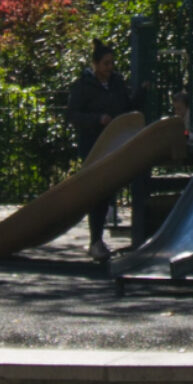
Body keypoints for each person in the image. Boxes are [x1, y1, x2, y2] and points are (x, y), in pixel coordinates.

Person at [64, 41, 140, 260]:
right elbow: (72, 115)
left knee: (107, 191)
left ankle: (98, 239)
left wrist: (141, 95)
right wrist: (97, 119)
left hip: (113, 143)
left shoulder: (116, 83)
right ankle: (95, 239)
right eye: (105, 63)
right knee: (96, 191)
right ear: (95, 64)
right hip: (93, 144)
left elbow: (126, 106)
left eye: (111, 63)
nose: (110, 67)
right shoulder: (83, 85)